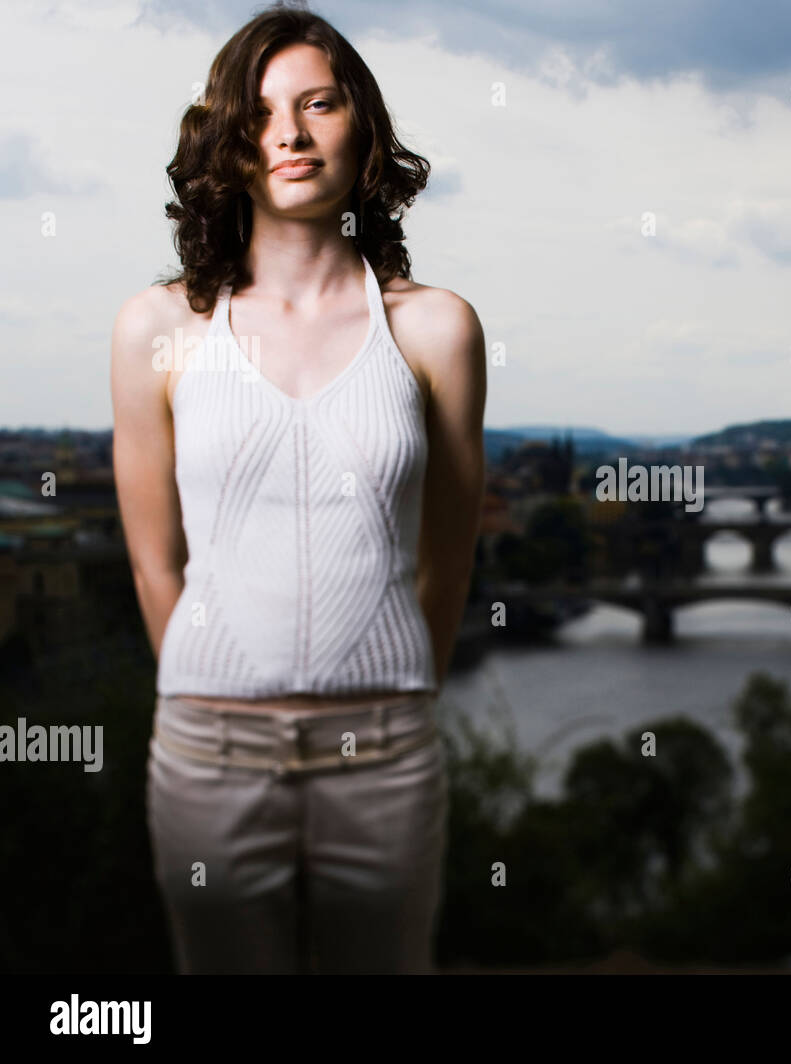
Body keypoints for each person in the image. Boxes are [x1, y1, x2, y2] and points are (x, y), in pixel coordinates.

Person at [109, 3, 486, 973]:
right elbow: (155, 559)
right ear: (228, 141)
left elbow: (449, 550)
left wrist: (403, 687)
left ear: (360, 125)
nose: (290, 131)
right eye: (263, 111)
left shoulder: (437, 328)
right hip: (208, 749)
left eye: (319, 103)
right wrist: (212, 680)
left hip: (386, 749)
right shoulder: (156, 327)